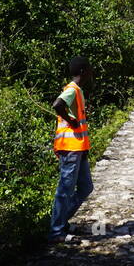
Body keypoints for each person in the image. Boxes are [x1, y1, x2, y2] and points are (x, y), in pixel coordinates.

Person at [49, 56, 93, 242]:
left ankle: (61, 222)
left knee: (85, 187)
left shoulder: (78, 91)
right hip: (70, 148)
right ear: (83, 71)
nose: (92, 72)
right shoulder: (72, 90)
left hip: (78, 147)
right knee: (65, 189)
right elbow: (57, 105)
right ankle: (57, 231)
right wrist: (71, 120)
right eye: (89, 69)